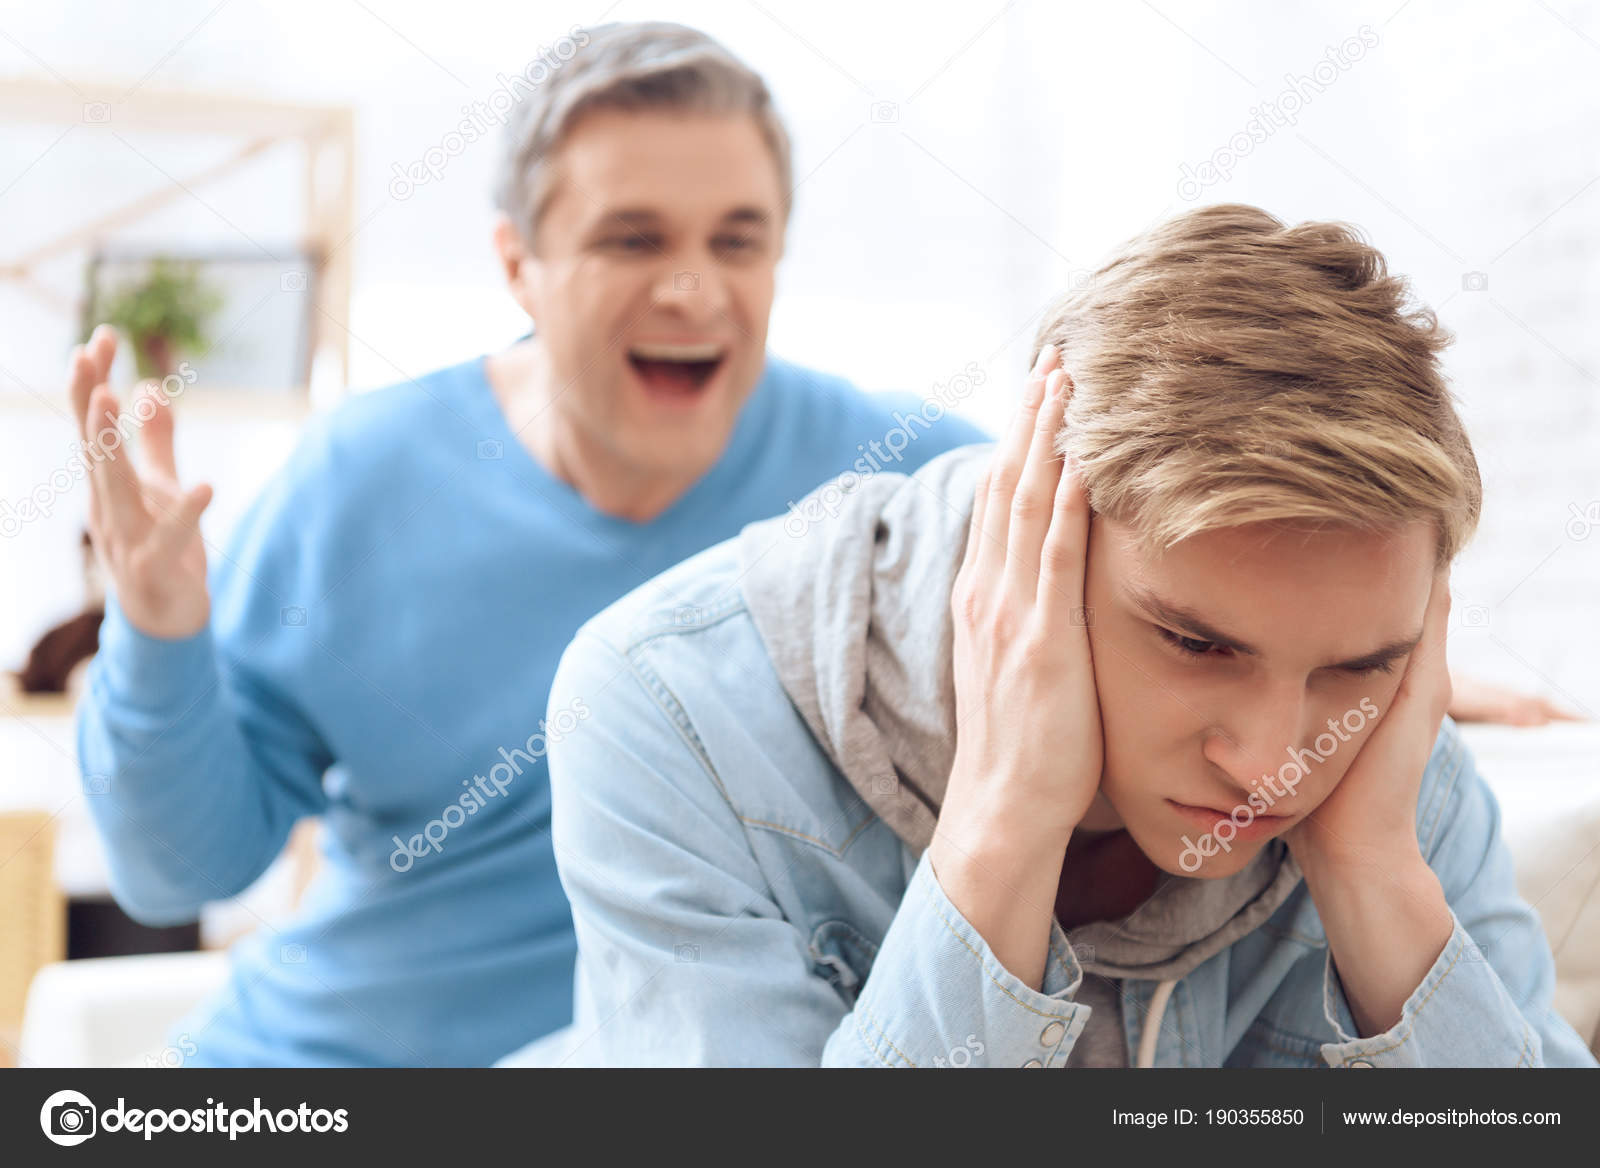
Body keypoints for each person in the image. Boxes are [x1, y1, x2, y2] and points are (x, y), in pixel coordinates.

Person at [68, 22, 985, 1067]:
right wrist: (154, 637)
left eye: (736, 239)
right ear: (518, 263)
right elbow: (177, 872)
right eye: (632, 240)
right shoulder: (357, 481)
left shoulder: (903, 485)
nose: (692, 289)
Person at [543, 204, 1598, 1067]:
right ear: (1039, 534)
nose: (1277, 762)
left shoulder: (1383, 755)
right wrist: (1000, 828)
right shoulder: (663, 703)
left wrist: (1373, 874)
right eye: (1196, 643)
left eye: (1353, 665)